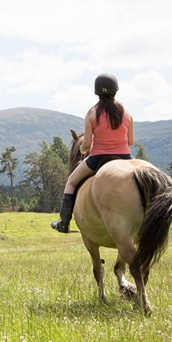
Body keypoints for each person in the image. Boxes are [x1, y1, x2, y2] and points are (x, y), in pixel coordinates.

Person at [52, 73, 134, 233]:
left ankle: (63, 223)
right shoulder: (127, 112)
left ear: (97, 92)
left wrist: (83, 149)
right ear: (116, 90)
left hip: (98, 157)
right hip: (125, 157)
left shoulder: (92, 113)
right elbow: (131, 142)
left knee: (71, 182)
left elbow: (87, 144)